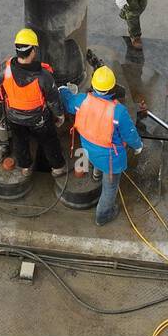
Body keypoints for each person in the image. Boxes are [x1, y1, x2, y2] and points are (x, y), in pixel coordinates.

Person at [63, 65, 143, 226]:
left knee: (96, 162)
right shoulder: (118, 112)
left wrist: (63, 89)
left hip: (88, 149)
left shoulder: (81, 101)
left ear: (93, 84)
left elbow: (68, 101)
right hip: (110, 159)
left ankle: (95, 175)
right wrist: (138, 146)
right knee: (110, 188)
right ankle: (103, 215)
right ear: (112, 87)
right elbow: (130, 134)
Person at [0, 28, 68, 176]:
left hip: (13, 117)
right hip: (39, 119)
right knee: (49, 141)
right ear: (34, 50)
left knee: (20, 141)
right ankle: (57, 168)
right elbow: (53, 100)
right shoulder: (43, 76)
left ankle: (25, 168)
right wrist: (60, 115)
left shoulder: (4, 70)